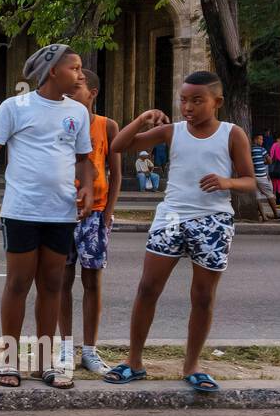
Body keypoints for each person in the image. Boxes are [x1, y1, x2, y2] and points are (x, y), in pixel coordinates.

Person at [0, 44, 93, 390]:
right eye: (74, 68)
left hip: (61, 213)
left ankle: (44, 363)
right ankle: (8, 361)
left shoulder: (78, 112)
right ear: (53, 71)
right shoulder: (15, 107)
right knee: (18, 283)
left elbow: (84, 158)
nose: (80, 74)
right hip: (22, 211)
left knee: (52, 285)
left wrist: (86, 187)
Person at [103, 71, 258, 394]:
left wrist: (227, 182)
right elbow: (118, 145)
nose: (188, 107)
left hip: (213, 220)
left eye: (197, 101)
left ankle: (192, 365)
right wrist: (143, 118)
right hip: (171, 216)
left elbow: (249, 180)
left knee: (202, 296)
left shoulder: (232, 134)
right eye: (184, 100)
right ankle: (134, 361)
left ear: (217, 102)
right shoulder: (172, 131)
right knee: (147, 288)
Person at [57, 69, 120, 374]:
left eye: (77, 88)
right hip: (62, 211)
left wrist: (107, 213)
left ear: (93, 93)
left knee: (92, 281)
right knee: (62, 281)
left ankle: (90, 350)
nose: (69, 92)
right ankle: (65, 348)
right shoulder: (62, 124)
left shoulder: (106, 126)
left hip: (95, 213)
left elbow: (116, 172)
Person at [251, 133, 280, 219]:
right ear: (255, 140)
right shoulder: (262, 149)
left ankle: (263, 216)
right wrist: (264, 162)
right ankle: (276, 214)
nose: (262, 141)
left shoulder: (250, 150)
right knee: (270, 195)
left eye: (262, 139)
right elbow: (270, 161)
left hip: (252, 177)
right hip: (261, 176)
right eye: (260, 139)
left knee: (257, 197)